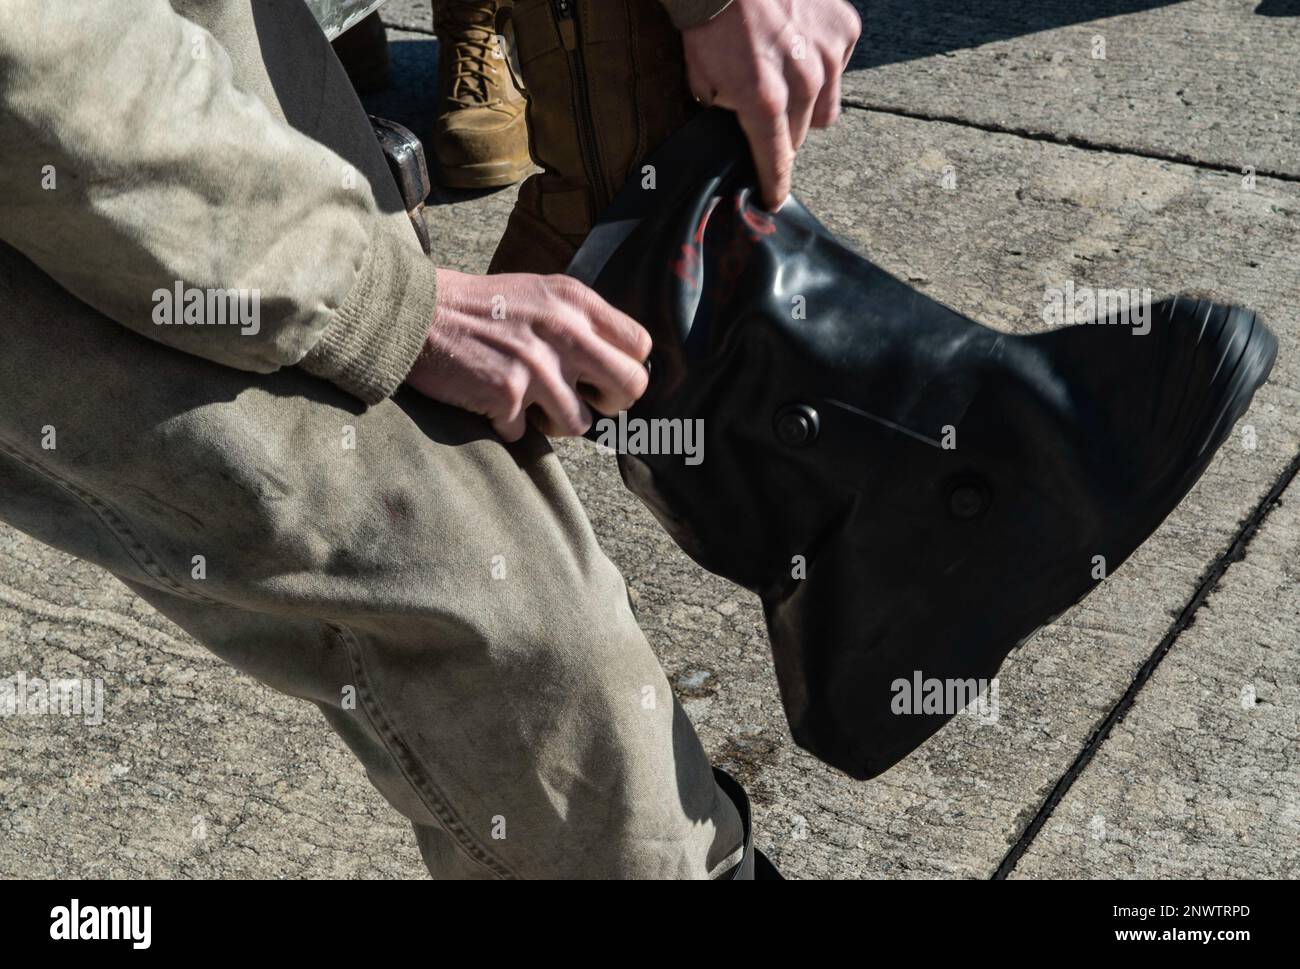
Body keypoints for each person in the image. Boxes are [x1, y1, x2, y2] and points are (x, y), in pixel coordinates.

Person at [0, 0, 859, 878]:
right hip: (53, 133)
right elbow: (39, 67)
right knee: (522, 635)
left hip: (174, 46)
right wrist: (386, 302)